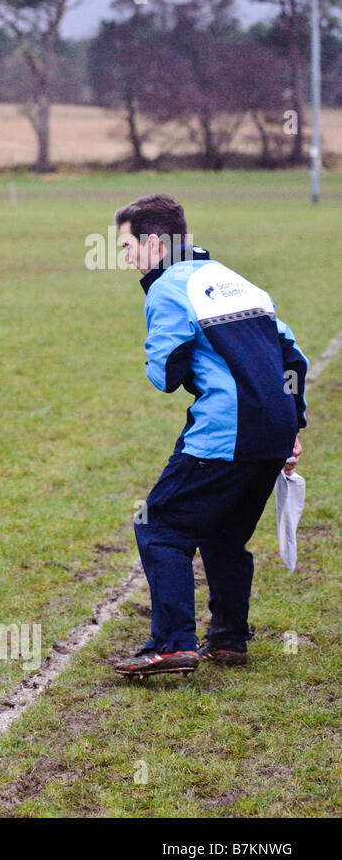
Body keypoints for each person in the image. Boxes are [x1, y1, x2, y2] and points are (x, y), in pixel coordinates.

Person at [112, 193, 307, 678]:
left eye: (128, 246)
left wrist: (155, 337)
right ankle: (228, 640)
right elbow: (292, 356)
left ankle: (172, 643)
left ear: (155, 242)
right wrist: (293, 424)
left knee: (158, 525)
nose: (127, 257)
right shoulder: (236, 280)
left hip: (227, 430)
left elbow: (165, 375)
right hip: (274, 428)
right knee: (224, 534)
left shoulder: (167, 287)